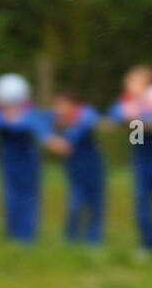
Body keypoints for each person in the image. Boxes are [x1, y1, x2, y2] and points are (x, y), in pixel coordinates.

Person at [107, 66, 152, 252]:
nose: (128, 85)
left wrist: (138, 114)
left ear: (147, 84)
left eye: (132, 82)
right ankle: (147, 242)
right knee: (142, 201)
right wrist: (128, 114)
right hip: (141, 157)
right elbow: (115, 113)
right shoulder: (129, 102)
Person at [0, 74, 44, 241]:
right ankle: (12, 235)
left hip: (28, 159)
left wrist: (12, 121)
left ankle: (27, 236)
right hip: (8, 159)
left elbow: (32, 125)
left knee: (28, 197)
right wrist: (8, 119)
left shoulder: (30, 112)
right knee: (10, 197)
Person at [41, 89, 105, 243]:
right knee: (74, 205)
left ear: (73, 105)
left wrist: (66, 140)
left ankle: (94, 241)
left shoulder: (86, 114)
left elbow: (87, 121)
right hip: (74, 170)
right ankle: (70, 240)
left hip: (93, 168)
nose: (58, 109)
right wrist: (47, 137)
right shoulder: (55, 116)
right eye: (56, 105)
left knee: (95, 205)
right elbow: (38, 121)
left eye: (61, 105)